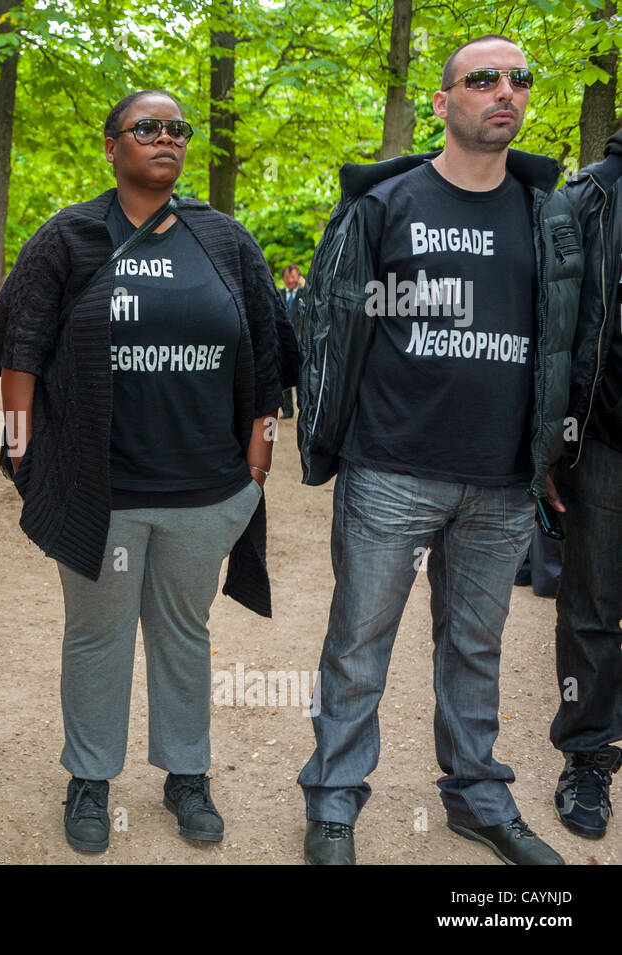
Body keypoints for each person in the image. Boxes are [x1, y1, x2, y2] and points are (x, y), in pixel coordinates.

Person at [296, 34, 581, 865]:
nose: (506, 91)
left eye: (520, 79)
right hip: (391, 465)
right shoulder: (387, 205)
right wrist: (324, 434)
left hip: (500, 480)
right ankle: (335, 802)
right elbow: (332, 326)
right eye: (484, 78)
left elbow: (565, 339)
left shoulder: (544, 211)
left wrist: (552, 451)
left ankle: (478, 796)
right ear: (443, 100)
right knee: (358, 643)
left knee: (476, 646)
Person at [0, 90, 283, 854]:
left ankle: (187, 774)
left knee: (185, 633)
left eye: (177, 129)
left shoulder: (225, 240)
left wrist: (257, 457)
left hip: (206, 490)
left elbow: (267, 345)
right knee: (97, 634)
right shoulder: (70, 238)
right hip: (101, 491)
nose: (165, 138)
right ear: (111, 143)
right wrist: (21, 445)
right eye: (145, 127)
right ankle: (90, 777)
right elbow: (20, 340)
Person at [552, 122, 622, 839]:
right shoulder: (589, 196)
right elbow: (554, 325)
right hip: (603, 437)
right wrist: (552, 434)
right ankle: (588, 755)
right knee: (593, 603)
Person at [277, 264, 308, 418]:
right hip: (284, 343)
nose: (290, 280)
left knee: (302, 378)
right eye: (287, 277)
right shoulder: (280, 294)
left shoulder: (304, 294)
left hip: (300, 342)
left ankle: (304, 408)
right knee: (286, 378)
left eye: (293, 277)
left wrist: (304, 286)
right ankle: (287, 410)